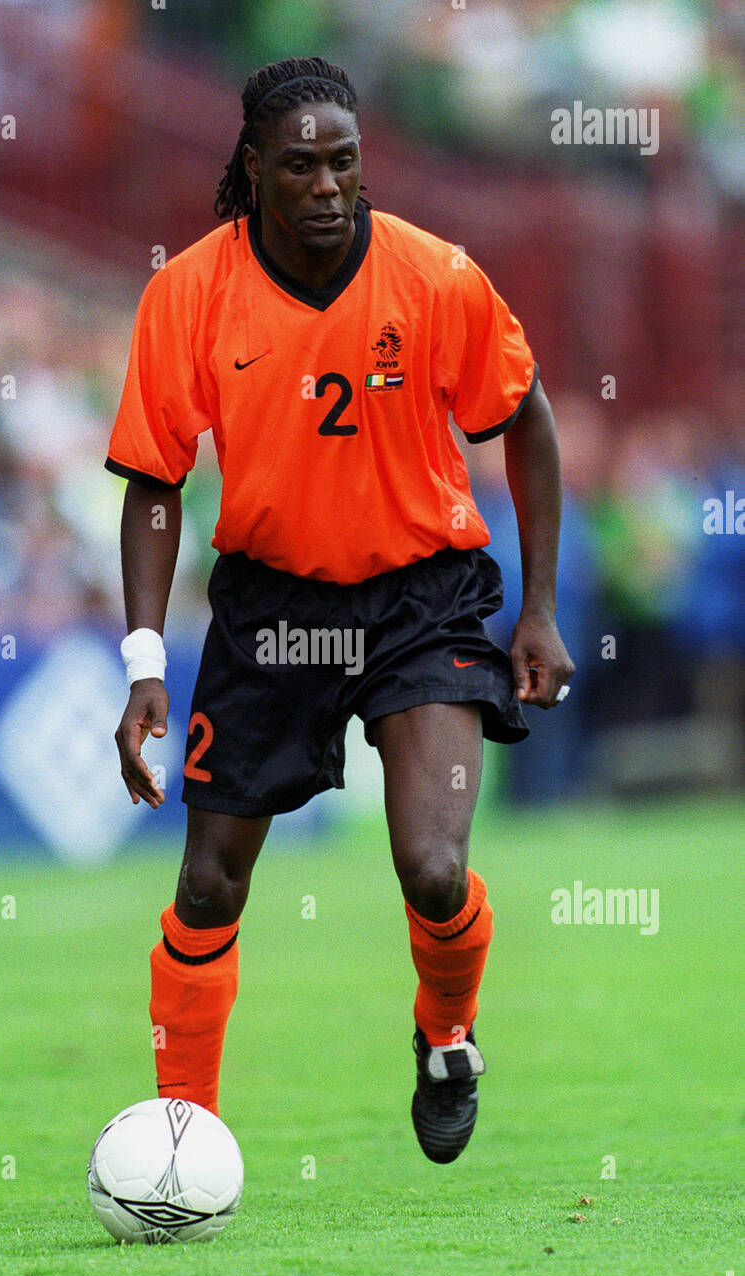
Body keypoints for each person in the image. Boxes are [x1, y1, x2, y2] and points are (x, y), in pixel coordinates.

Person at [108, 57, 574, 1164]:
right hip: (270, 608)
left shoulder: (435, 276)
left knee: (433, 868)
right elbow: (154, 484)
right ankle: (183, 1134)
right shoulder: (189, 295)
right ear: (253, 172)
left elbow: (526, 419)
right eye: (302, 166)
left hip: (422, 594)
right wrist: (141, 665)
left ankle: (445, 1032)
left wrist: (541, 608)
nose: (327, 186)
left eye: (344, 163)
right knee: (209, 881)